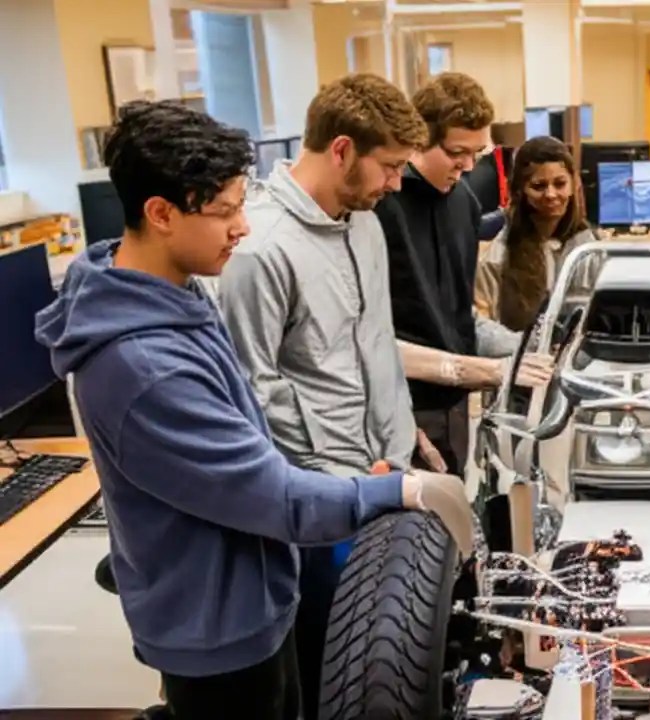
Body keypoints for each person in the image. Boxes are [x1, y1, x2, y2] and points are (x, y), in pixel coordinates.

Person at [33, 100, 469, 720]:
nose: (243, 227)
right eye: (225, 211)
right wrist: (393, 491)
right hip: (217, 635)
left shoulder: (176, 296)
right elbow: (270, 495)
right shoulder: (145, 368)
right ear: (161, 214)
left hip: (254, 595)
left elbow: (248, 443)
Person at [211, 73, 445, 720]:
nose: (396, 183)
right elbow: (254, 388)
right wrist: (340, 478)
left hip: (387, 477)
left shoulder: (364, 223)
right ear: (342, 150)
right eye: (389, 166)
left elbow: (374, 342)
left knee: (386, 668)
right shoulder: (259, 249)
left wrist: (403, 433)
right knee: (330, 679)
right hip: (321, 502)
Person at [374, 72, 551, 475]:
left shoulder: (464, 204)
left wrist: (525, 350)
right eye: (457, 152)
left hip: (453, 409)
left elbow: (459, 318)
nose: (468, 166)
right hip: (399, 408)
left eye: (477, 153)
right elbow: (368, 338)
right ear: (420, 139)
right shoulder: (381, 207)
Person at [475, 136, 599, 333]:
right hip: (519, 349)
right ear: (520, 191)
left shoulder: (592, 247)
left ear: (574, 185)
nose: (550, 194)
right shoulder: (496, 259)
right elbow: (483, 330)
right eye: (539, 186)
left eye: (560, 184)